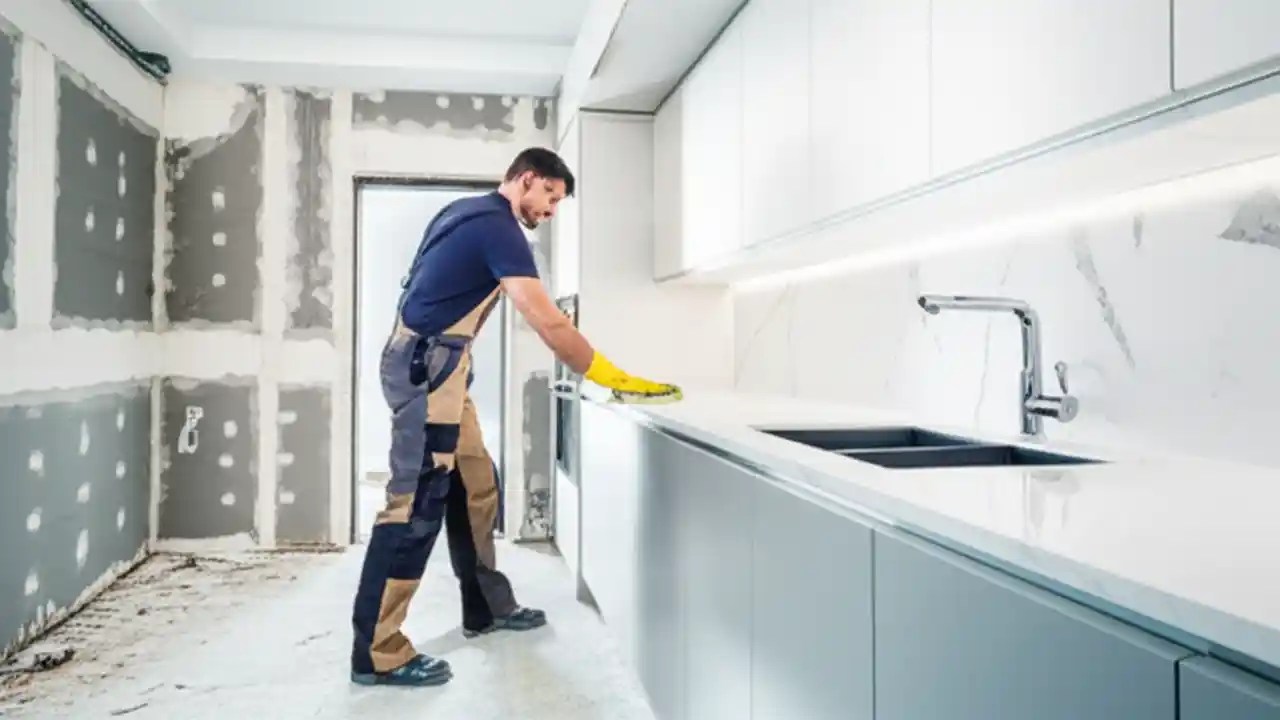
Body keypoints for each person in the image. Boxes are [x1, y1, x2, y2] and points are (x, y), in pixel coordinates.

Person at [350, 147, 680, 687]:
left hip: (442, 365)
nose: (549, 211)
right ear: (526, 180)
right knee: (414, 505)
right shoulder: (498, 228)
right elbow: (547, 322)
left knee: (477, 480)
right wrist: (610, 375)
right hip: (426, 366)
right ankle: (377, 651)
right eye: (548, 197)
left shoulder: (466, 211)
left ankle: (485, 607)